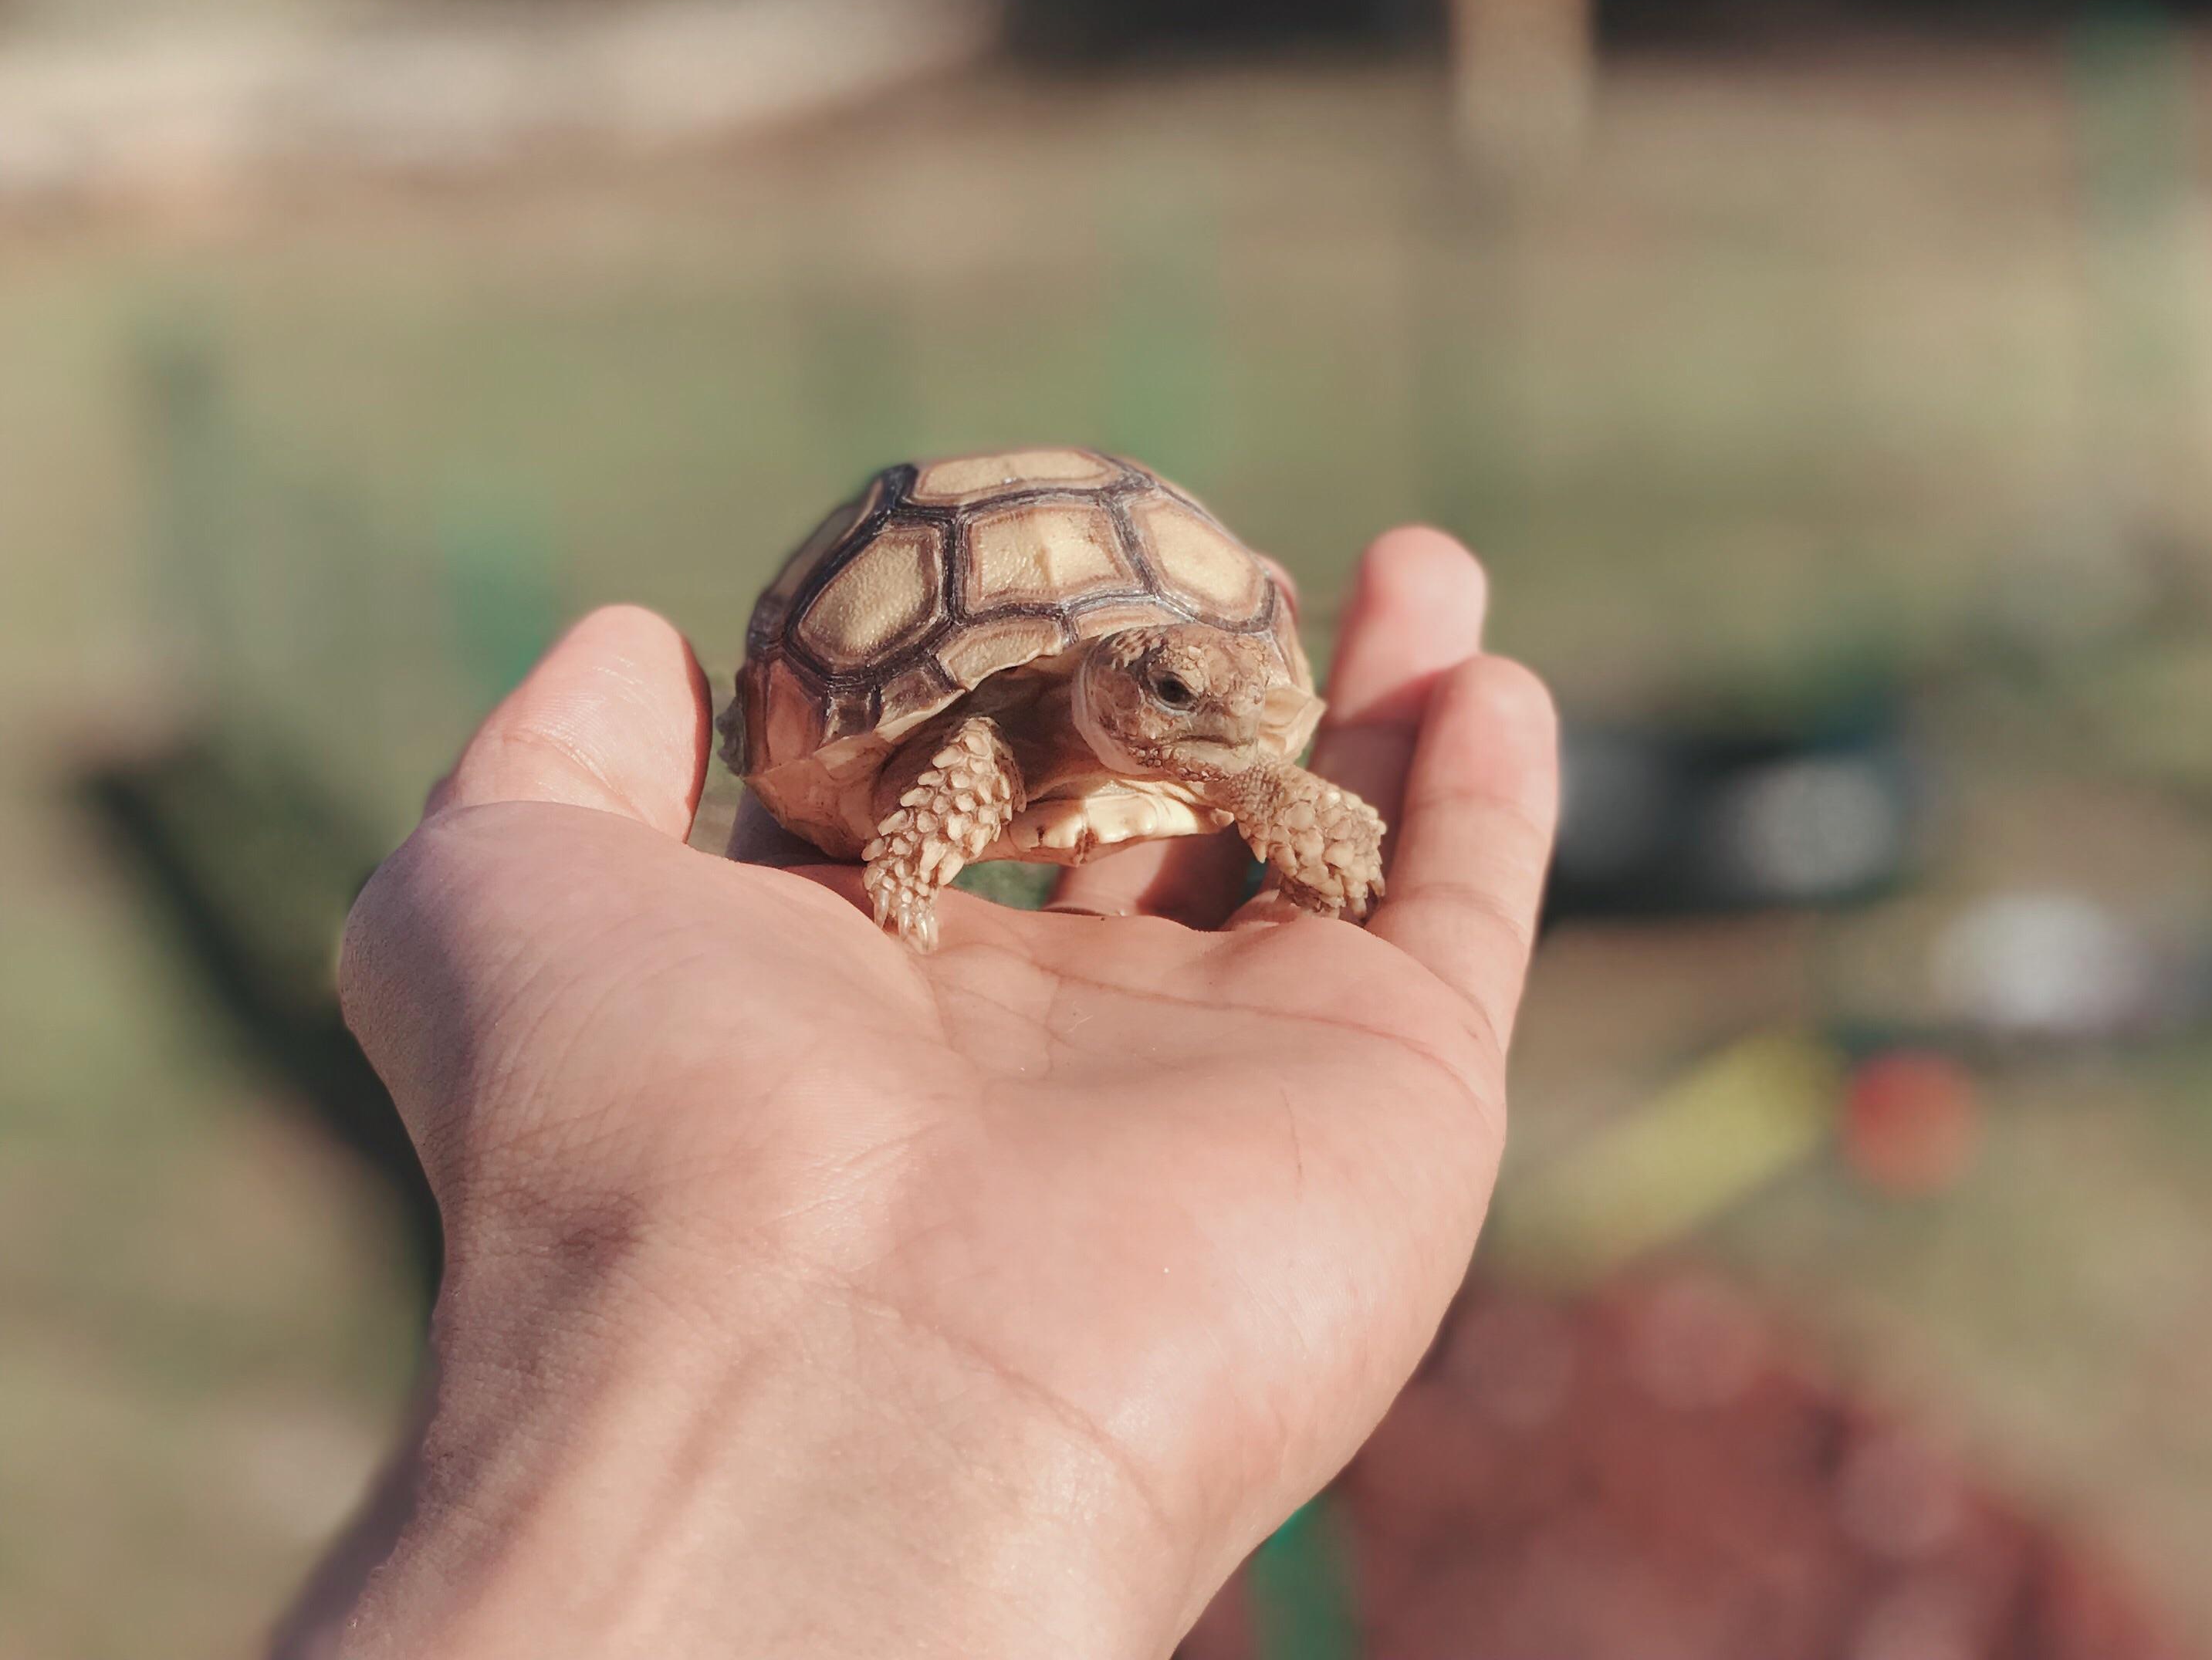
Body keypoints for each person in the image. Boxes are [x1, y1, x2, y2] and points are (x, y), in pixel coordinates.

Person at [272, 526, 1559, 1658]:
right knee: (1004, 763)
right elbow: (964, 767)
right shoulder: (1006, 726)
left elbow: (1251, 760)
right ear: (1111, 679)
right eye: (1164, 688)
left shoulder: (1214, 733)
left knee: (1301, 810)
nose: (1194, 724)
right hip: (959, 708)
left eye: (1208, 698)